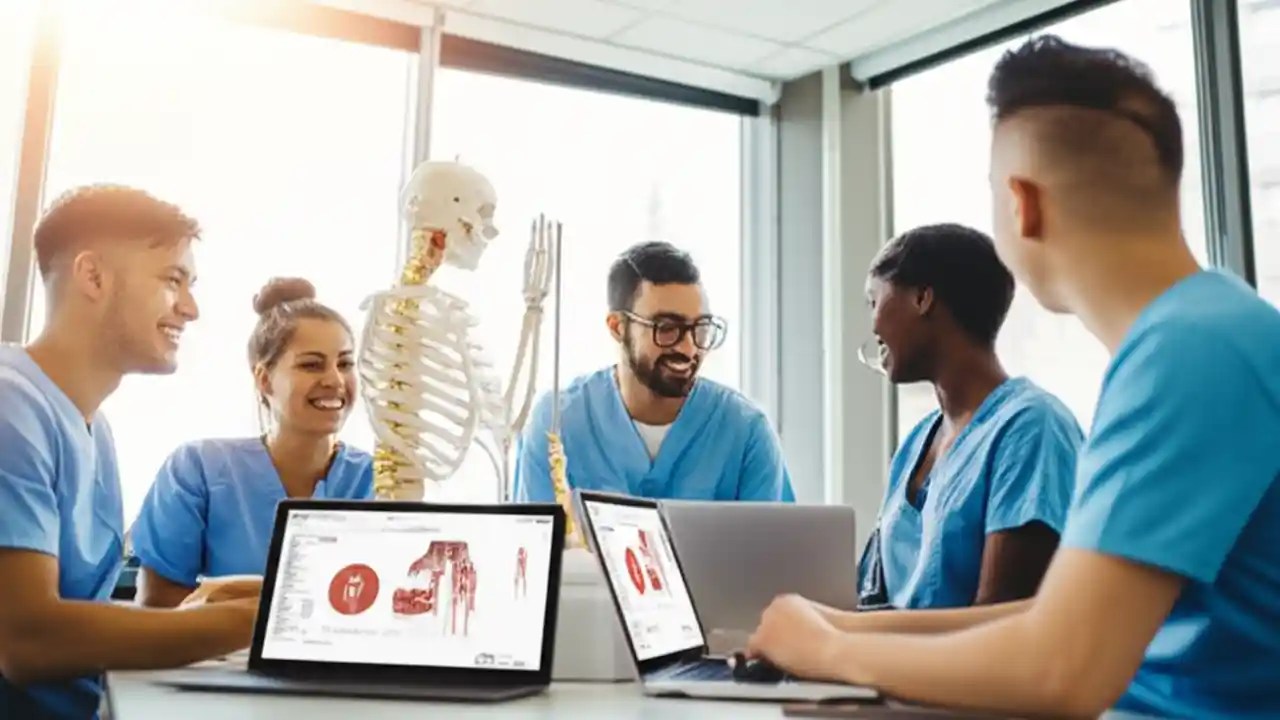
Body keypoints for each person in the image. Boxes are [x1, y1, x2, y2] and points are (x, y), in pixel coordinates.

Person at [744, 36, 1280, 719]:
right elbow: (1043, 623)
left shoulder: (1188, 353)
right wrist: (835, 627)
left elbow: (1061, 669)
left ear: (1021, 203)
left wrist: (830, 653)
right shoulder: (1211, 331)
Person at [0, 185, 259, 719]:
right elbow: (26, 642)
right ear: (92, 276)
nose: (191, 308)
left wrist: (200, 608)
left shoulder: (95, 426)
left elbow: (78, 614)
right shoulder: (10, 407)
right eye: (172, 280)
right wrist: (260, 621)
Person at [857, 223, 1082, 610]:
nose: (874, 326)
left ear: (922, 298)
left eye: (874, 302)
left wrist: (841, 638)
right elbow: (874, 595)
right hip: (887, 666)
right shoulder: (916, 442)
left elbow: (1000, 618)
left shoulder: (1032, 428)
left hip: (966, 672)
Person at [130, 277, 373, 608]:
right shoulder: (198, 470)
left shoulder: (375, 482)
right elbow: (159, 603)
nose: (334, 380)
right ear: (264, 379)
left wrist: (233, 594)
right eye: (311, 364)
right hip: (214, 659)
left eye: (345, 363)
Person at [513, 241, 794, 503]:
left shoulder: (746, 433)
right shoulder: (556, 425)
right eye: (667, 328)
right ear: (617, 327)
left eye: (700, 328)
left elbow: (773, 552)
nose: (688, 348)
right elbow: (535, 546)